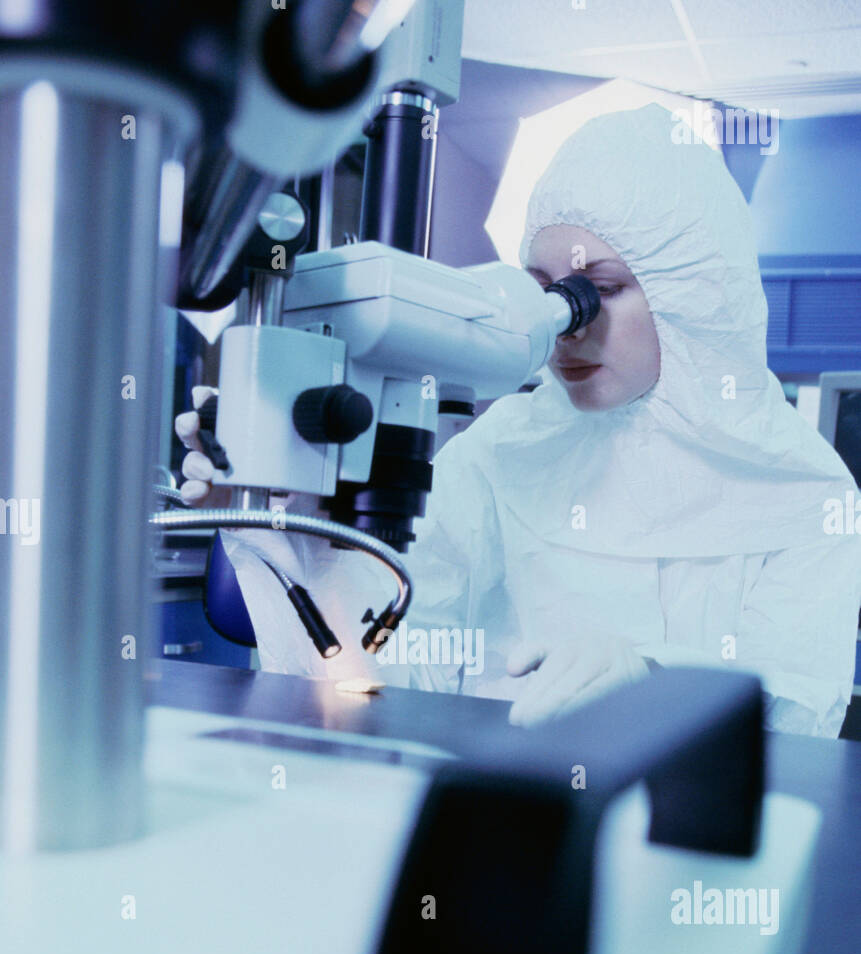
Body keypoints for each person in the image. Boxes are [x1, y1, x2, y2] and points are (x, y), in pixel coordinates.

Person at [177, 104, 861, 735]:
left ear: (692, 296)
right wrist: (290, 531)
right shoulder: (501, 451)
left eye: (601, 289)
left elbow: (798, 728)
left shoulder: (804, 496)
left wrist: (658, 687)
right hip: (489, 807)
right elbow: (381, 682)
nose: (564, 326)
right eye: (545, 293)